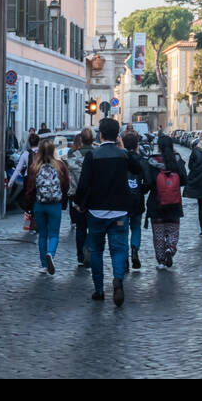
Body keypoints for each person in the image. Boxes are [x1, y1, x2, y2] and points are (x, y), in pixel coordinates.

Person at [72, 116, 143, 307]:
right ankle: (118, 279)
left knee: (96, 250)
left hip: (96, 211)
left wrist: (78, 202)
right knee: (119, 249)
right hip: (119, 211)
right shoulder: (123, 155)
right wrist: (125, 148)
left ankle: (99, 289)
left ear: (100, 135)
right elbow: (138, 167)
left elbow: (84, 183)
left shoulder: (92, 156)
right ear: (117, 135)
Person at [23, 138, 70, 275]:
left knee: (42, 235)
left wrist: (29, 207)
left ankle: (44, 265)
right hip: (54, 205)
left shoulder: (34, 167)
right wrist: (64, 203)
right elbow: (66, 186)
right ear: (52, 150)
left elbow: (30, 189)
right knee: (54, 234)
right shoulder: (60, 166)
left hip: (39, 205)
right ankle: (51, 254)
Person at [145, 135, 189, 268]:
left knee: (158, 235)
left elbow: (148, 182)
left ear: (158, 146)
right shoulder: (177, 161)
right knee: (173, 231)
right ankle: (170, 248)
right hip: (174, 203)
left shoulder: (152, 161)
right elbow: (184, 180)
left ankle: (161, 261)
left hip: (156, 203)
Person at [66, 127, 94, 267]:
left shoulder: (72, 155)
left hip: (76, 195)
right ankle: (89, 247)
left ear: (81, 139)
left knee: (80, 227)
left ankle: (80, 256)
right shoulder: (96, 154)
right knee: (93, 226)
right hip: (94, 196)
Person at [121, 130, 148, 270]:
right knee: (136, 227)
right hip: (137, 199)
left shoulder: (120, 160)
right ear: (136, 145)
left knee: (123, 230)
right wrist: (141, 190)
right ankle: (135, 251)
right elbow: (148, 181)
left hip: (123, 201)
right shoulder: (141, 161)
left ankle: (124, 257)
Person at [7, 132, 40, 230]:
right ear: (39, 142)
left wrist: (10, 182)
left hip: (28, 179)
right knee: (38, 201)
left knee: (29, 202)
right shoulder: (42, 153)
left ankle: (29, 224)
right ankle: (38, 222)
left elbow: (17, 169)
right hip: (40, 178)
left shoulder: (26, 153)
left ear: (29, 143)